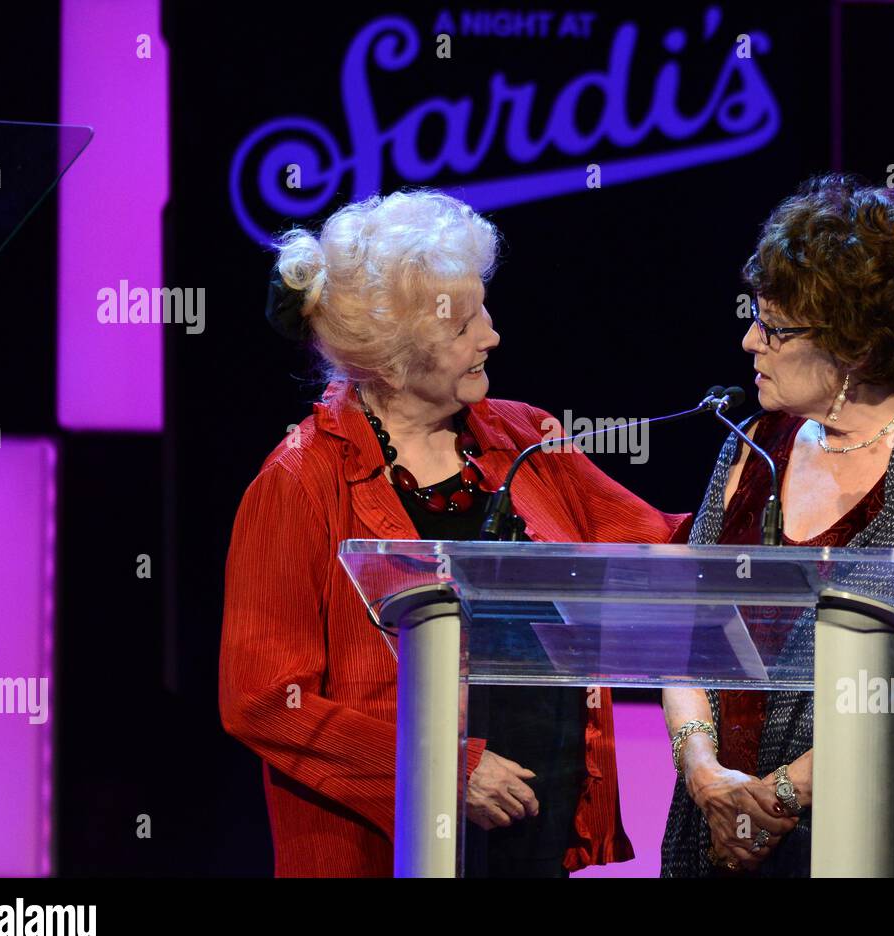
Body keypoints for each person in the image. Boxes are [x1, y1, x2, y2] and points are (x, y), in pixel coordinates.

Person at [219, 188, 688, 876]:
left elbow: (660, 545)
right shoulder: (298, 482)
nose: (491, 335)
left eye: (484, 310)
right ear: (393, 353)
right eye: (462, 323)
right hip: (386, 853)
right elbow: (263, 701)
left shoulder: (523, 435)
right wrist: (441, 770)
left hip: (537, 835)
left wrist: (778, 481)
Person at [661, 173, 894, 877]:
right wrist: (706, 774)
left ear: (854, 348)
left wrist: (778, 797)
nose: (749, 341)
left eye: (775, 326)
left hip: (882, 842)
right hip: (719, 835)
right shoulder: (749, 443)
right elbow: (685, 628)